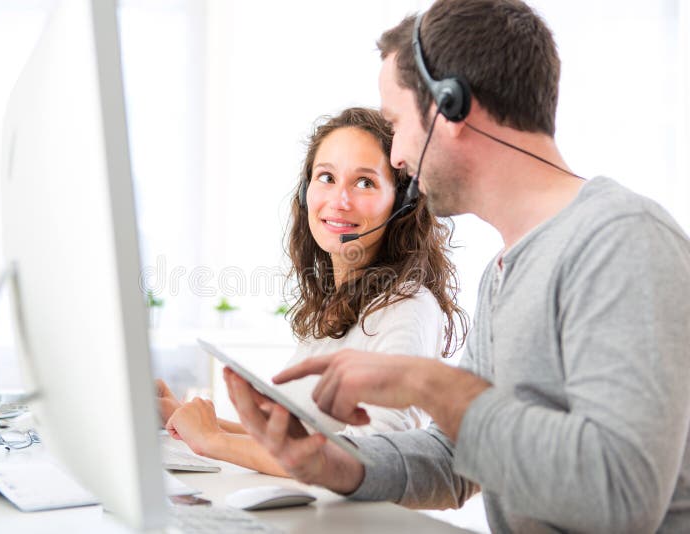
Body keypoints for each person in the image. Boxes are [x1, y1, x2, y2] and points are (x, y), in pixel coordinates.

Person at [224, 1, 690, 532]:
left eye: (397, 123)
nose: (397, 155)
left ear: (451, 107)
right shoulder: (503, 271)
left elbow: (623, 495)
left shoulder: (621, 240)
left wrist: (433, 385)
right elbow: (457, 458)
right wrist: (336, 462)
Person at [157, 107, 467, 476]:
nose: (340, 200)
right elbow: (306, 442)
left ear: (401, 206)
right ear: (306, 192)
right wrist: (186, 418)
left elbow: (370, 455)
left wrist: (213, 441)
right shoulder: (339, 307)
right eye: (326, 177)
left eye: (365, 182)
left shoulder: (406, 306)